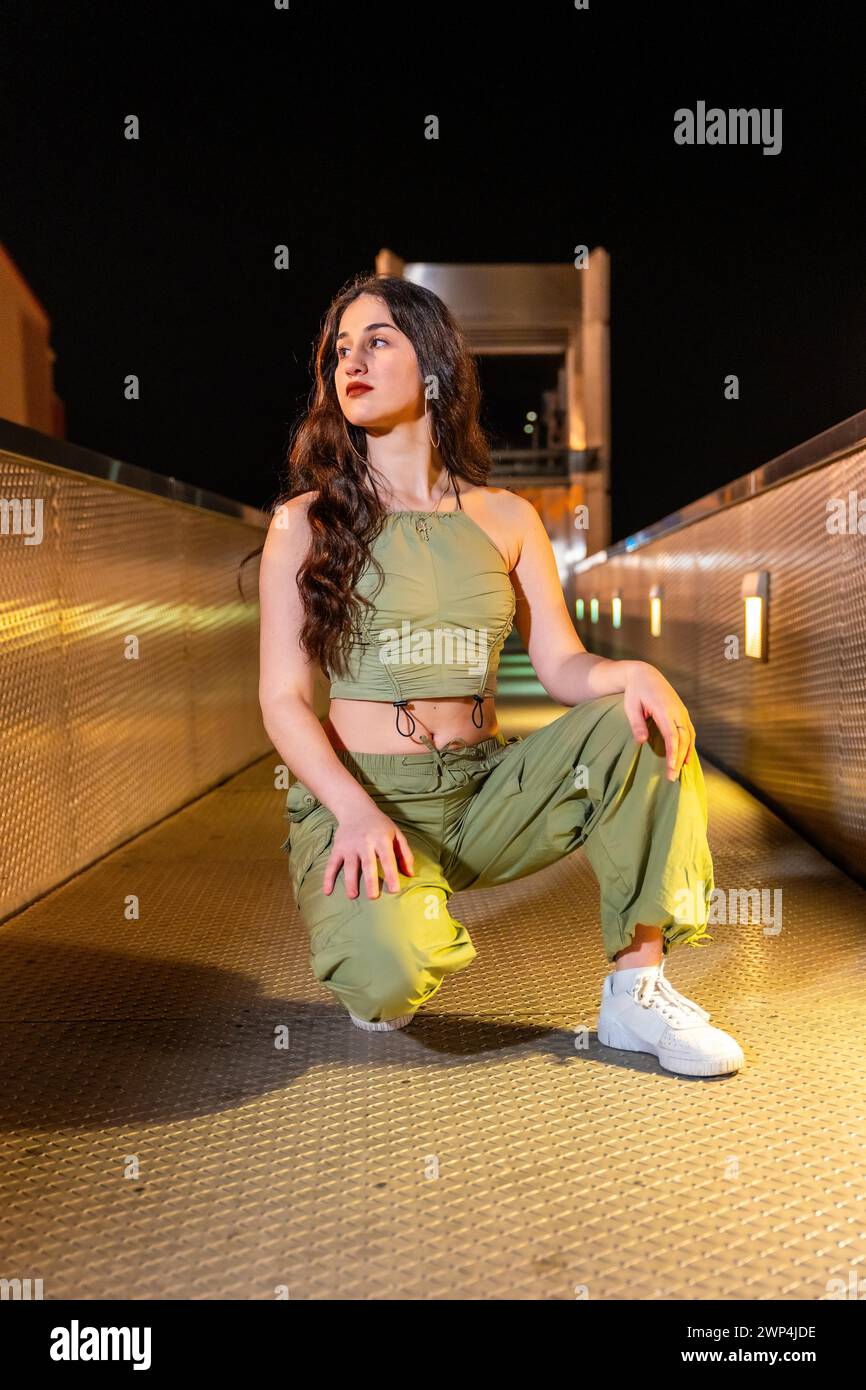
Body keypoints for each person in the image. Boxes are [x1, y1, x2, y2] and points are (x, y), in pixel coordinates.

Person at [250, 272, 744, 1077]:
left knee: (639, 720)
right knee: (387, 983)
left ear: (433, 363)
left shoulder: (508, 518)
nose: (352, 363)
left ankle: (636, 991)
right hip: (365, 800)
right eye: (341, 350)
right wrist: (352, 810)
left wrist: (629, 671)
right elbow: (281, 699)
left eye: (377, 342)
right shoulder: (304, 522)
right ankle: (386, 931)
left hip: (486, 792)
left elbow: (560, 665)